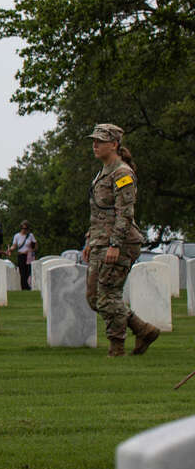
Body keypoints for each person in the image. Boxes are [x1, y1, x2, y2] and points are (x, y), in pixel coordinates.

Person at [82, 123, 159, 356]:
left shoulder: (122, 173)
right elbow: (99, 212)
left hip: (120, 243)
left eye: (100, 141)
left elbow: (125, 212)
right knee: (94, 298)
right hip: (100, 241)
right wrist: (89, 240)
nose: (95, 145)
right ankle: (142, 329)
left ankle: (117, 348)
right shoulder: (104, 171)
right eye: (93, 141)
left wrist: (115, 244)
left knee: (108, 296)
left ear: (114, 144)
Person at [9, 220, 36, 289]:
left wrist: (31, 250)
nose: (24, 230)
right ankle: (24, 287)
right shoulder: (17, 236)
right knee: (22, 272)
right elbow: (14, 245)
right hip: (21, 255)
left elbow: (35, 246)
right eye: (23, 228)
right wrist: (11, 249)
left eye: (26, 228)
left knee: (28, 272)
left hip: (29, 256)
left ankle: (28, 286)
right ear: (21, 228)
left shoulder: (30, 235)